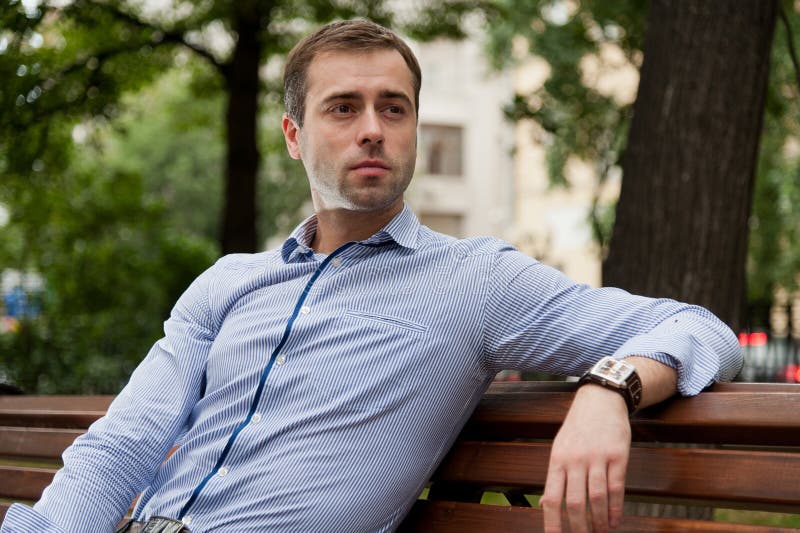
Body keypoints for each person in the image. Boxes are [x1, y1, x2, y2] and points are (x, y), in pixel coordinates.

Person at [1, 19, 741, 533]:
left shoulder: (476, 282)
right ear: (295, 136)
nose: (372, 129)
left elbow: (697, 326)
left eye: (394, 108)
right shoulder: (228, 282)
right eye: (343, 108)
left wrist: (610, 387)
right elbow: (127, 441)